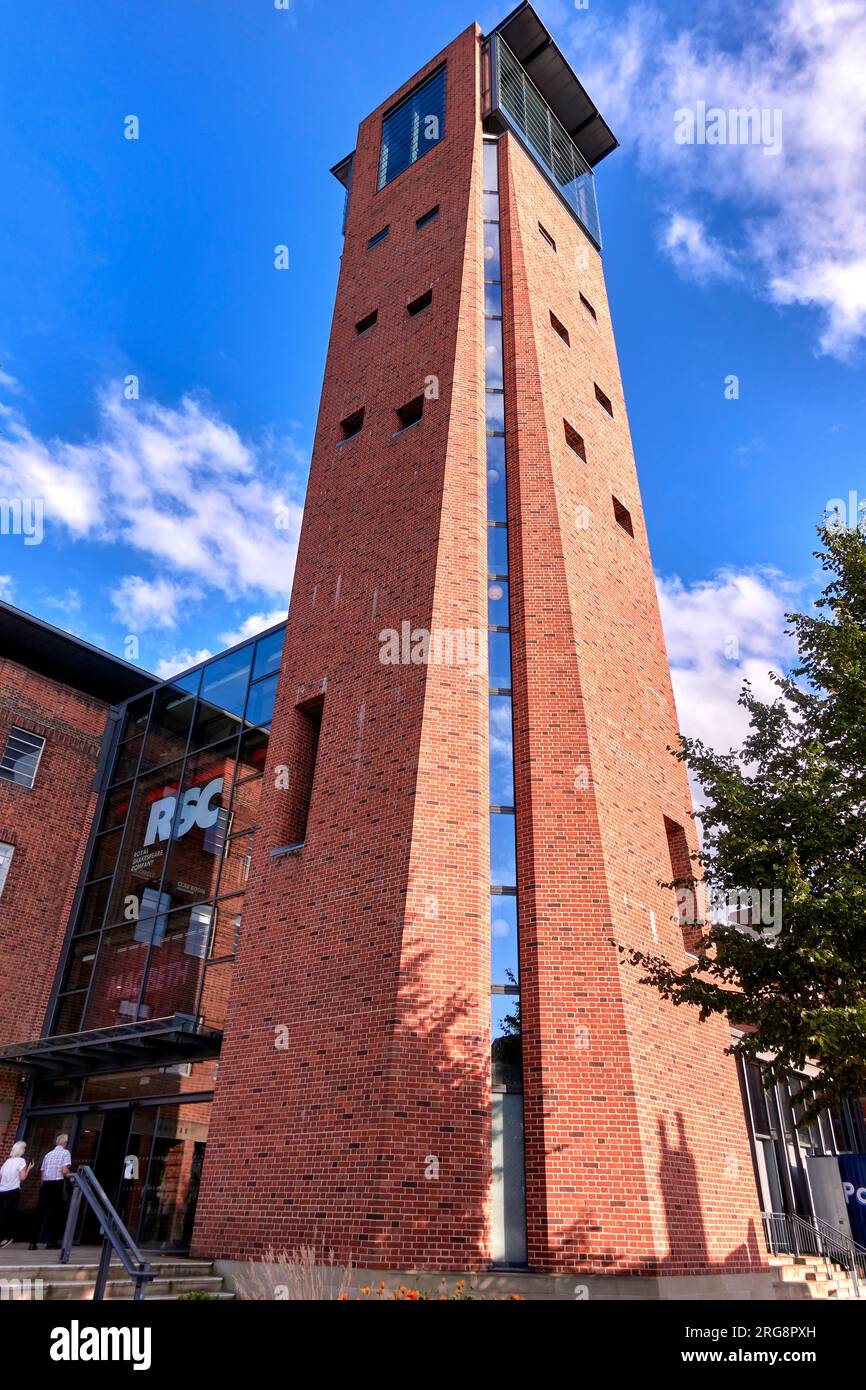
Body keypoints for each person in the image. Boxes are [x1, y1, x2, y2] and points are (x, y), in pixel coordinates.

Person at [29, 1133, 72, 1251]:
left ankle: (33, 1242)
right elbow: (64, 1170)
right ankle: (52, 1242)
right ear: (65, 1143)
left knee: (40, 1212)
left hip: (46, 1184)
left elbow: (42, 1174)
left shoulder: (48, 1154)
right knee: (56, 1213)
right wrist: (71, 1177)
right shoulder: (66, 1153)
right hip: (57, 1183)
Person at [0, 1141, 33, 1247]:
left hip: (2, 1191)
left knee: (2, 1214)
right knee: (9, 1215)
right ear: (21, 1150)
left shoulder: (7, 1162)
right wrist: (28, 1169)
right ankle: (4, 1238)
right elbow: (23, 1177)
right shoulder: (21, 1161)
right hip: (13, 1191)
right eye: (24, 1149)